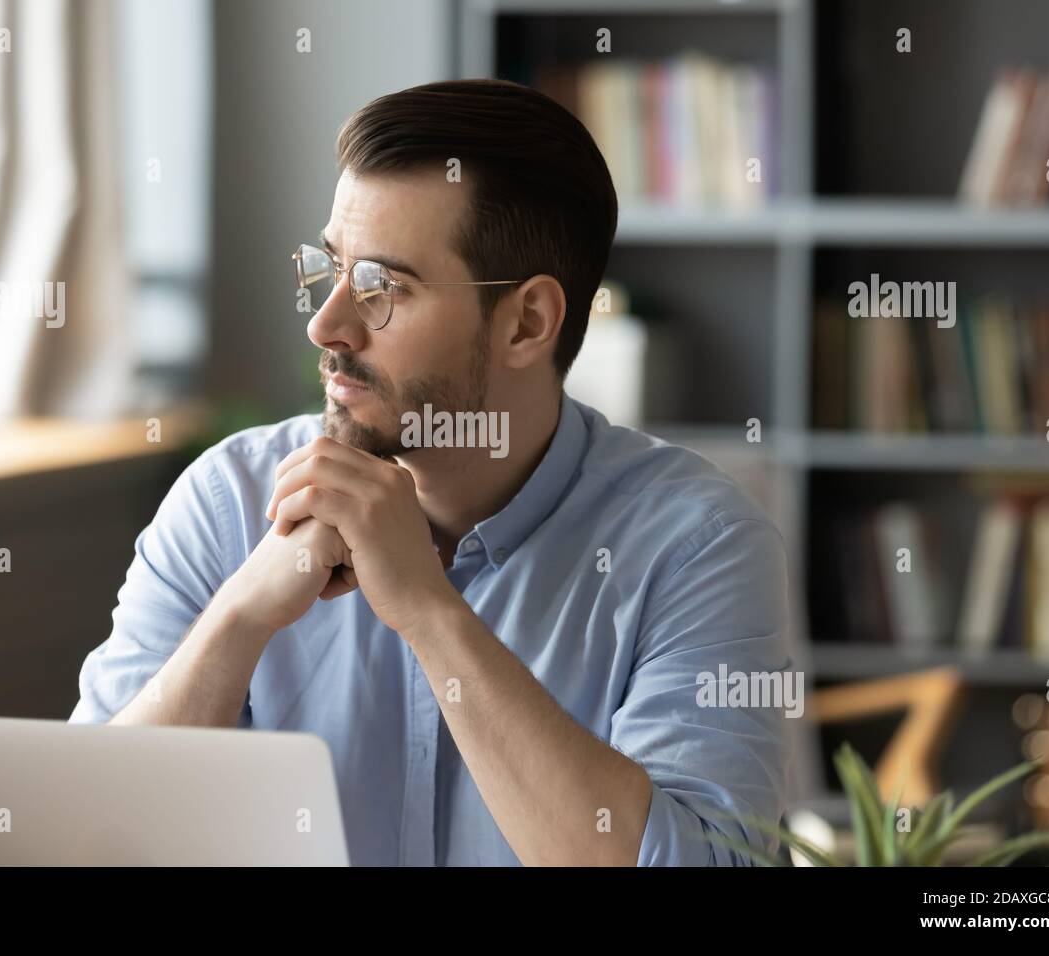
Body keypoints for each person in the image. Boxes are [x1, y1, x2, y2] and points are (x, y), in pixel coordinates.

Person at [71, 79, 792, 866]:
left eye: (382, 287)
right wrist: (238, 618)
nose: (327, 323)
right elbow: (80, 843)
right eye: (329, 269)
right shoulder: (228, 501)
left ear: (527, 322)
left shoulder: (696, 546)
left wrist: (427, 609)